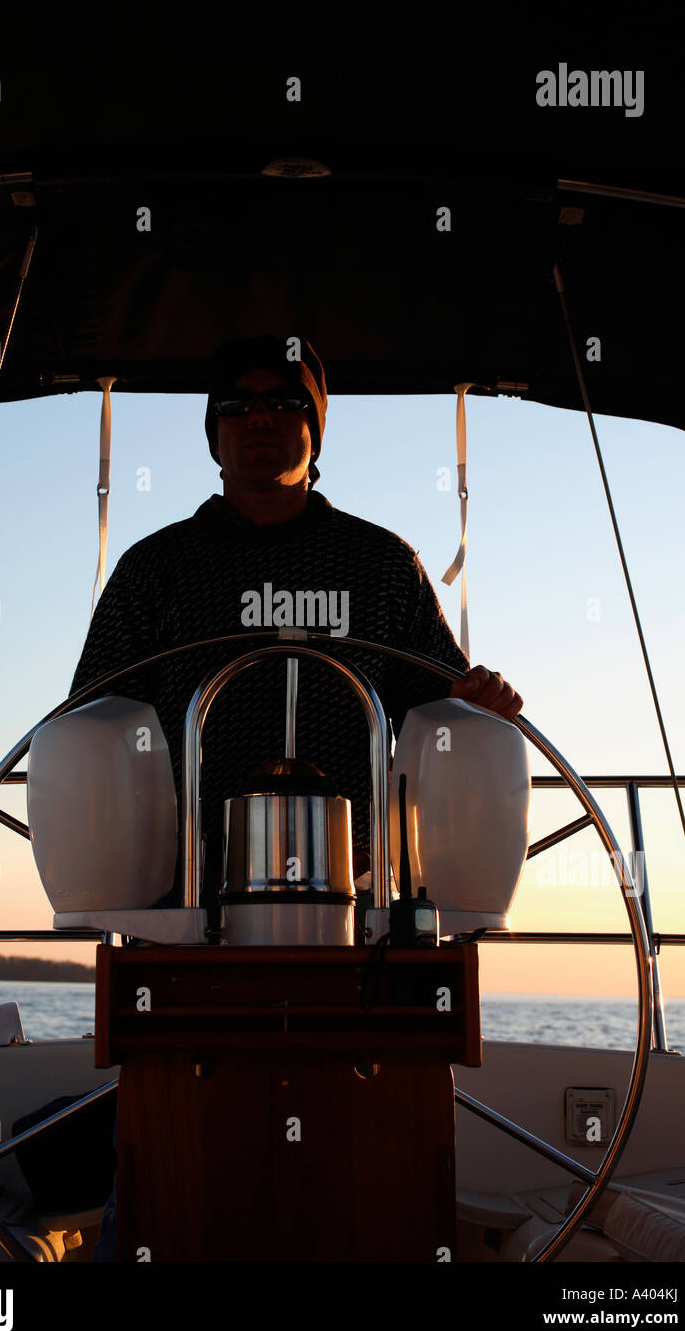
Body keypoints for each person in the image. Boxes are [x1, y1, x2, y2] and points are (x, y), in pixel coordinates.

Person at [69, 334, 523, 1260]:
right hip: (184, 905)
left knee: (364, 1133)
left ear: (315, 427)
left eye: (283, 403)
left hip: (354, 908)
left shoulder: (381, 562)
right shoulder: (157, 569)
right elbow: (91, 715)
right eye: (236, 407)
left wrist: (483, 700)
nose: (259, 421)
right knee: (175, 1136)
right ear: (213, 434)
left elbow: (439, 701)